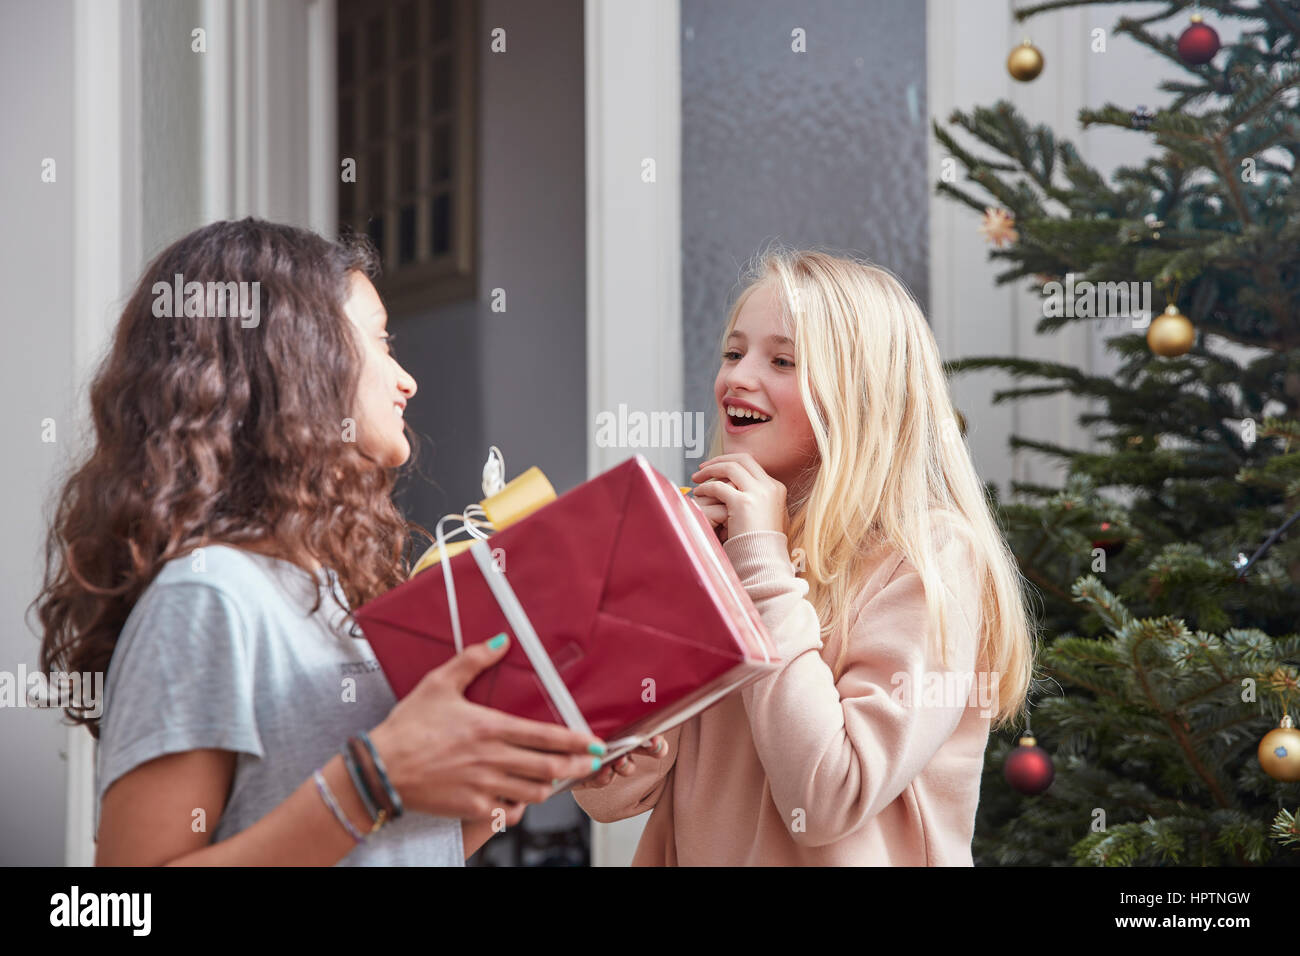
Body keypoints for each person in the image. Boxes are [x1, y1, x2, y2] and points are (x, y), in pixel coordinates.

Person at [34, 217, 617, 866]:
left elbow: (392, 847)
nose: (407, 380)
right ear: (295, 359)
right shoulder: (207, 597)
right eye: (380, 340)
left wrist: (536, 760)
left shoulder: (335, 598)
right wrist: (374, 779)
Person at [574, 245, 1039, 865]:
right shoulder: (713, 545)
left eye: (783, 360)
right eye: (734, 353)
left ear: (861, 396)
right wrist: (632, 742)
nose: (737, 377)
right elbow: (609, 800)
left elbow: (827, 795)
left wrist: (760, 558)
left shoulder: (926, 557)